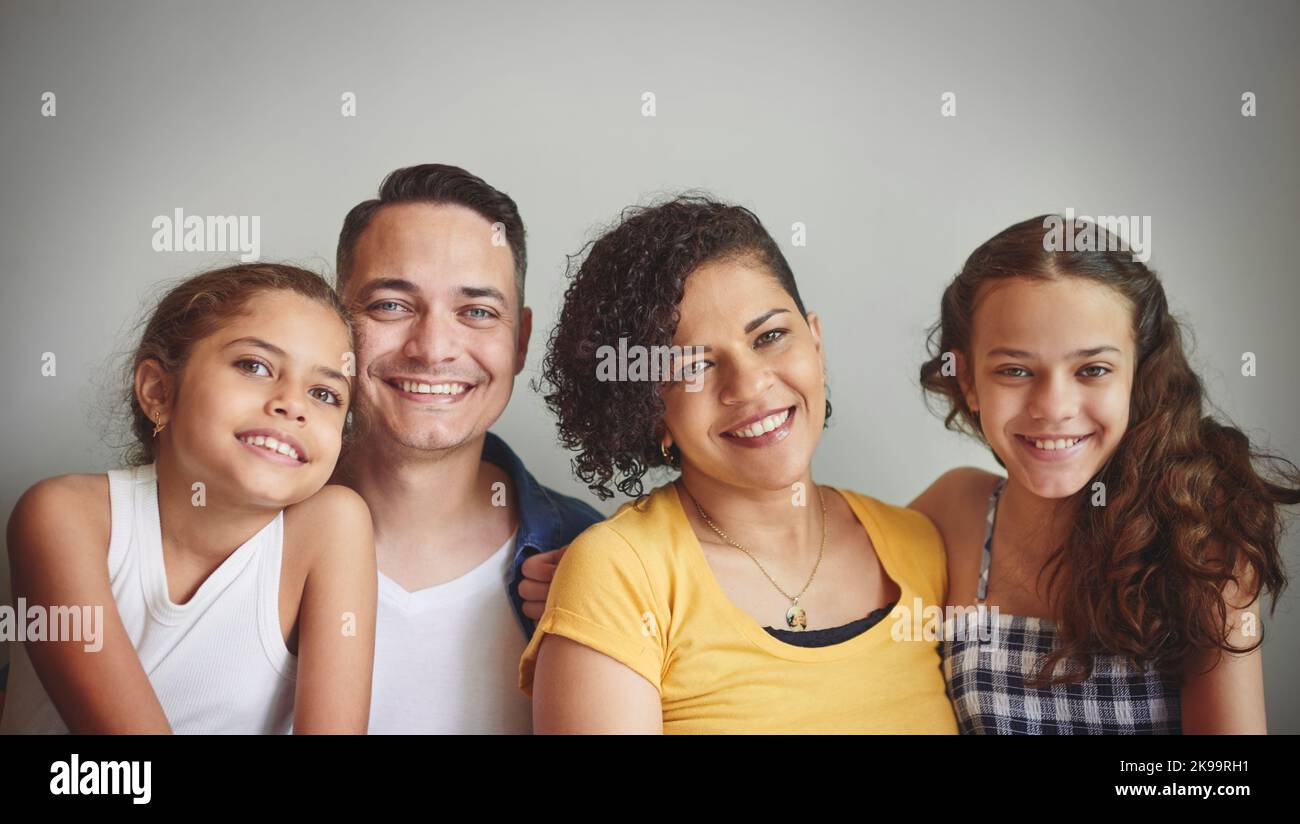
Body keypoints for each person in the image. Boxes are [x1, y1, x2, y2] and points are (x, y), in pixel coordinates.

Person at [519, 195, 957, 733]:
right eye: (696, 364)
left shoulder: (923, 547)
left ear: (815, 342)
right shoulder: (620, 574)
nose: (749, 385)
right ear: (648, 404)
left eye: (770, 337)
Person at [910, 215, 1298, 734]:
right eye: (1015, 370)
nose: (1054, 407)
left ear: (1139, 378)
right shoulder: (954, 509)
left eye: (1092, 370)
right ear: (970, 384)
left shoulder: (1201, 535)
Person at [2, 263, 376, 733]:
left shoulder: (332, 527)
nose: (293, 405)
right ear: (159, 391)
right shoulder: (65, 515)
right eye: (255, 366)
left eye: (324, 393)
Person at [333, 164, 601, 734]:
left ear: (521, 340)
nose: (433, 349)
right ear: (335, 325)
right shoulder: (235, 533)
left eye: (477, 312)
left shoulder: (594, 559)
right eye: (390, 305)